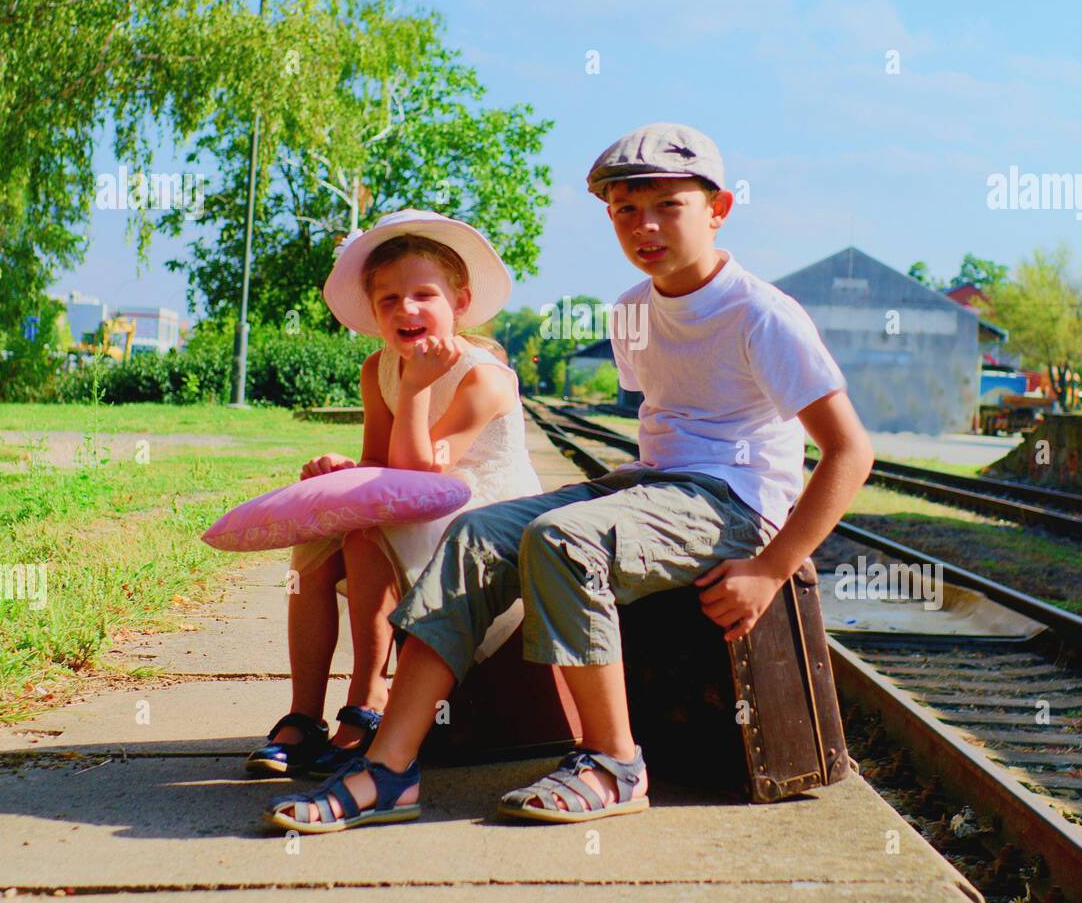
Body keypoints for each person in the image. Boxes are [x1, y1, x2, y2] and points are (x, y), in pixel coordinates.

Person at [263, 123, 874, 833]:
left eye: (667, 205)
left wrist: (771, 569)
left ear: (719, 207)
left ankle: (614, 761)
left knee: (563, 537)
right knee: (478, 532)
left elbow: (849, 452)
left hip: (733, 503)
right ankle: (391, 767)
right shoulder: (632, 311)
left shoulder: (762, 315)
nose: (643, 225)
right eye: (623, 209)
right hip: (654, 486)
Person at [245, 209, 541, 781]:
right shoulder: (378, 368)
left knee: (365, 533)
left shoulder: (482, 377)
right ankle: (304, 715)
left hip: (484, 529)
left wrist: (415, 390)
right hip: (417, 512)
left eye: (422, 294)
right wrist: (343, 470)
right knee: (317, 541)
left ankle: (368, 702)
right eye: (388, 300)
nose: (405, 310)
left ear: (458, 300)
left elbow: (423, 475)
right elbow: (384, 468)